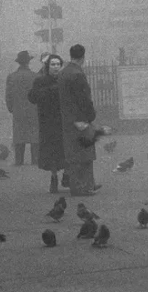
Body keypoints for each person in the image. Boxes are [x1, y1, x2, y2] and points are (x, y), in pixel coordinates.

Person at [58, 44, 101, 196]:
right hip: (80, 120)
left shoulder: (63, 73)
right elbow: (84, 99)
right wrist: (89, 116)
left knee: (73, 154)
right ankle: (83, 187)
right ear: (83, 57)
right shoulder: (77, 74)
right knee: (85, 154)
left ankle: (80, 185)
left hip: (67, 119)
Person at [27, 54, 67, 192]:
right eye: (53, 64)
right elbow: (32, 97)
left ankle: (67, 174)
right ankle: (54, 178)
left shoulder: (65, 80)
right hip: (48, 121)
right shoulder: (41, 81)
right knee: (52, 153)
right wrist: (49, 91)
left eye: (58, 64)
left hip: (63, 120)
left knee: (66, 149)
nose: (56, 67)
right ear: (48, 66)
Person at [5, 51, 40, 166]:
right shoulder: (35, 77)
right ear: (29, 62)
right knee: (34, 137)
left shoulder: (11, 77)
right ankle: (35, 161)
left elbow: (8, 96)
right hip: (33, 111)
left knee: (19, 137)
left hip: (18, 111)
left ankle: (19, 161)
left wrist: (11, 108)